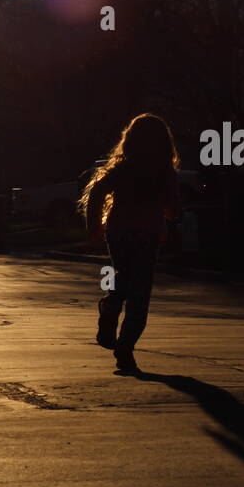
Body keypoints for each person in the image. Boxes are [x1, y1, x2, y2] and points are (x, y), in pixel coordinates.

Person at [80, 113, 180, 374]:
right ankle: (125, 347)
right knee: (140, 294)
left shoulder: (122, 169)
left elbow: (97, 193)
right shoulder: (163, 172)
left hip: (119, 231)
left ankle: (110, 307)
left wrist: (94, 227)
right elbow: (173, 209)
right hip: (147, 235)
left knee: (122, 278)